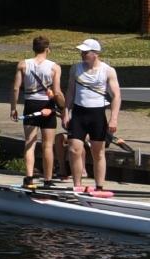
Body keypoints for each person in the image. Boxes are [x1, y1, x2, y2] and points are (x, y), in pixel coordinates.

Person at [65, 37, 123, 197]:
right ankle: (77, 185)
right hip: (78, 113)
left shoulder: (108, 70)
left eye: (85, 52)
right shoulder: (75, 68)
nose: (82, 54)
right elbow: (70, 91)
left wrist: (114, 118)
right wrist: (65, 112)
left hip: (97, 114)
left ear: (95, 53)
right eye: (81, 51)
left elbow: (116, 95)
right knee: (74, 149)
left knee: (98, 153)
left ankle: (99, 186)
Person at [12, 34, 64, 192]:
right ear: (48, 49)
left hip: (30, 104)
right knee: (48, 146)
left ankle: (29, 178)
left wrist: (13, 108)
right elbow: (57, 92)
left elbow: (15, 88)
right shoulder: (55, 67)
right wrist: (63, 107)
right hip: (47, 106)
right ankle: (47, 180)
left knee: (30, 143)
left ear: (34, 49)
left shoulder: (23, 64)